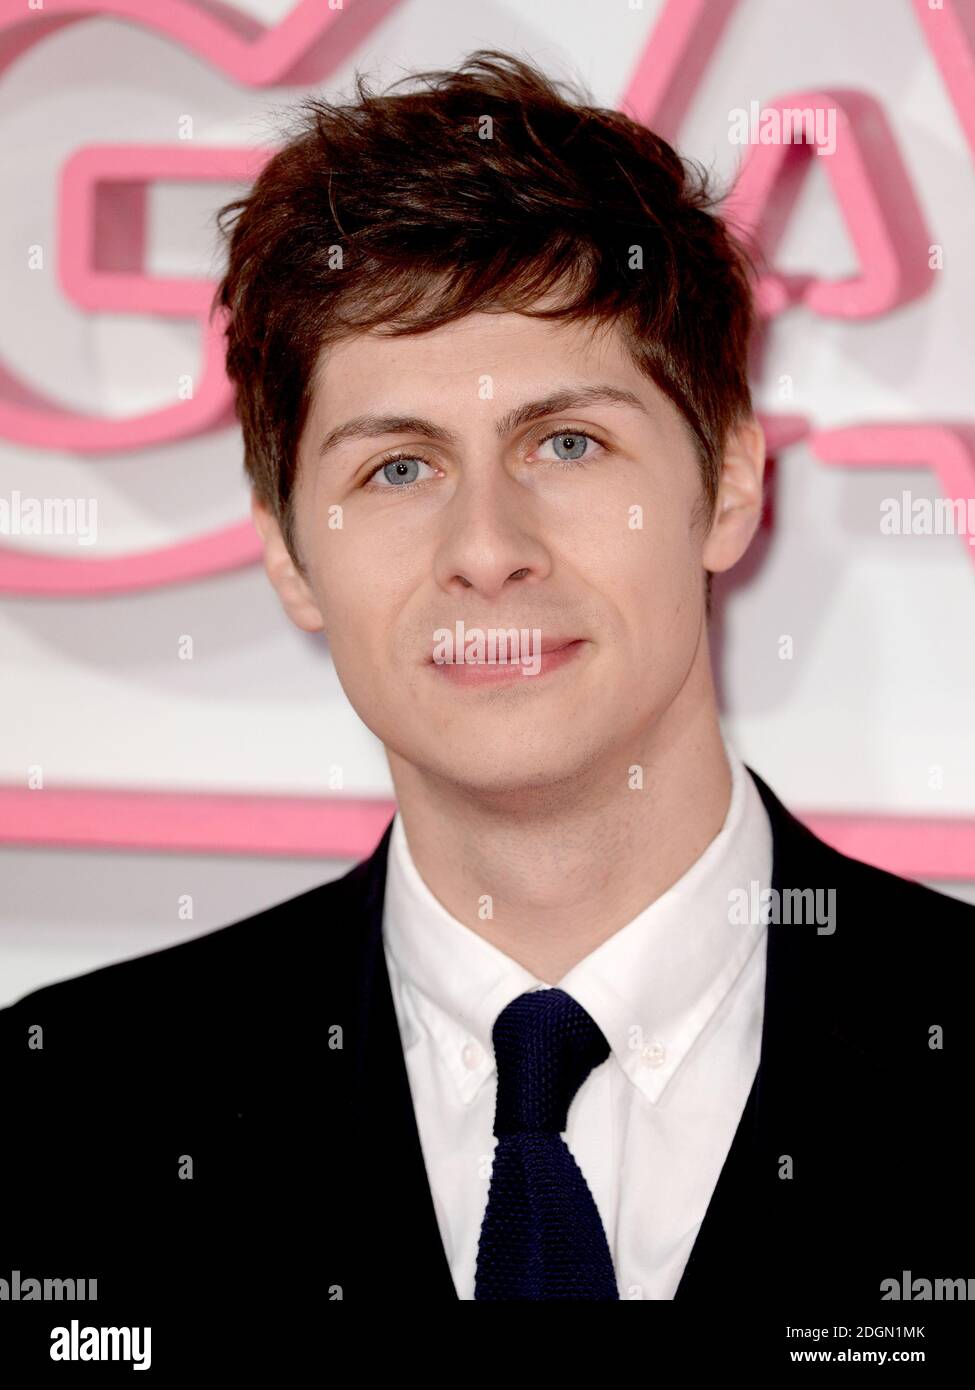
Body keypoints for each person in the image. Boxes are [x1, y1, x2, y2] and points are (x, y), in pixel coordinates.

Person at [1, 49, 971, 1361]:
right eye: (398, 465)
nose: (487, 545)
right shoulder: (62, 1118)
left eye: (567, 442)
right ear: (290, 550)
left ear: (729, 478)